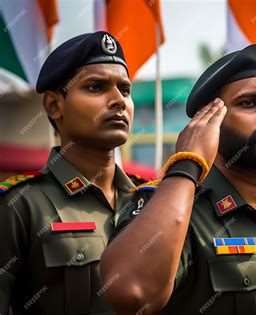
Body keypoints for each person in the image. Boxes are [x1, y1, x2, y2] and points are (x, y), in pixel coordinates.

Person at [100, 44, 256, 314]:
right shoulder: (175, 210)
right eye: (249, 103)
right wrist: (187, 163)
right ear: (209, 121)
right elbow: (131, 291)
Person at [0, 31, 135, 314]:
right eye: (96, 87)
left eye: (125, 90)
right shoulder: (20, 205)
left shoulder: (151, 199)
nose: (118, 101)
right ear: (54, 105)